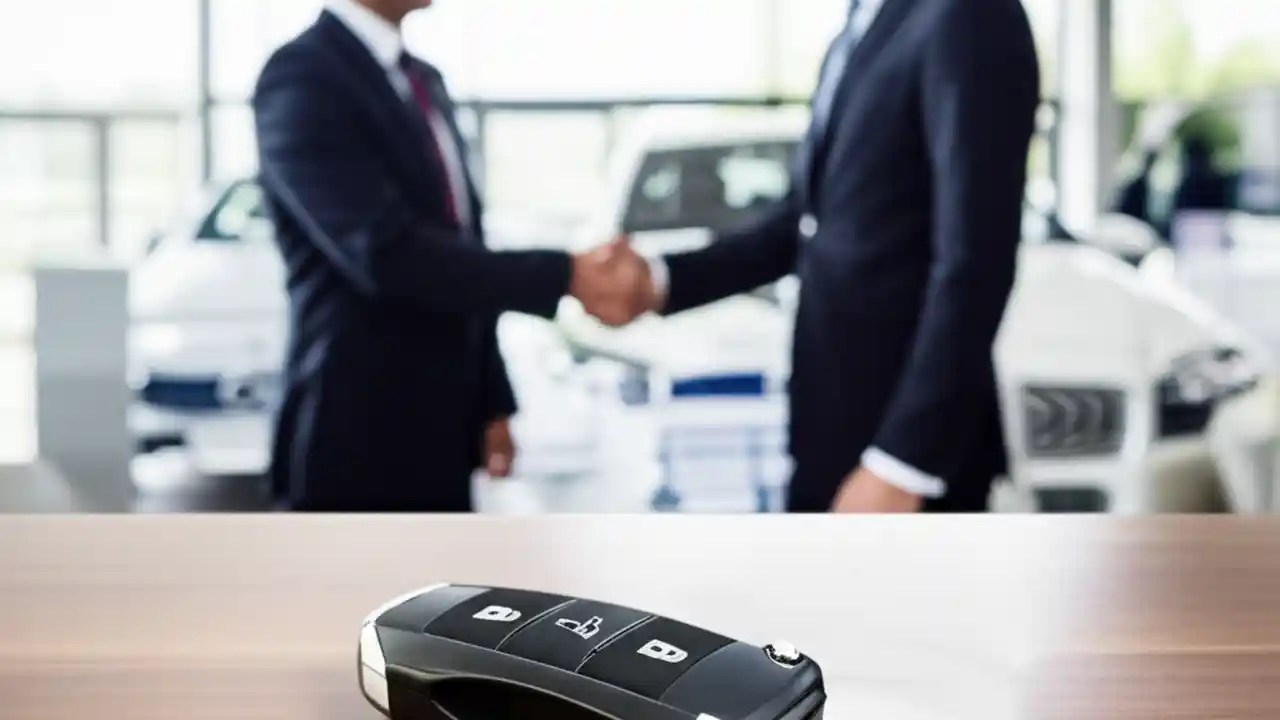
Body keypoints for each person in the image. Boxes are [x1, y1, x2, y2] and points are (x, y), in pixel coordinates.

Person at [612, 0, 1042, 513]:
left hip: (899, 458)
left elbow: (975, 261)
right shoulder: (862, 24)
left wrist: (902, 464)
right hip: (831, 430)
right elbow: (805, 223)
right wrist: (659, 280)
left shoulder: (969, 15)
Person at [252, 0, 648, 512]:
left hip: (443, 420)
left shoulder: (423, 81)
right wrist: (566, 274)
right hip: (353, 427)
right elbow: (386, 254)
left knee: (444, 587)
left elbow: (463, 251)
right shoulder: (302, 76)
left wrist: (492, 398)